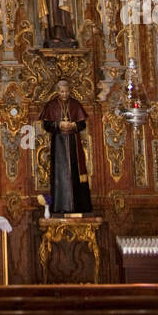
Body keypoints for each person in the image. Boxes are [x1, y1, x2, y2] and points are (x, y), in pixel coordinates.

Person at [40, 78, 92, 215]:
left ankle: (76, 207)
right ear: (57, 91)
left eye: (66, 91)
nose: (64, 94)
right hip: (58, 145)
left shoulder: (75, 104)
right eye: (61, 92)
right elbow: (46, 125)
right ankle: (59, 207)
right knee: (60, 175)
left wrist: (73, 125)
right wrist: (59, 125)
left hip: (73, 144)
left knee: (75, 173)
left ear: (70, 91)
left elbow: (82, 124)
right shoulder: (51, 106)